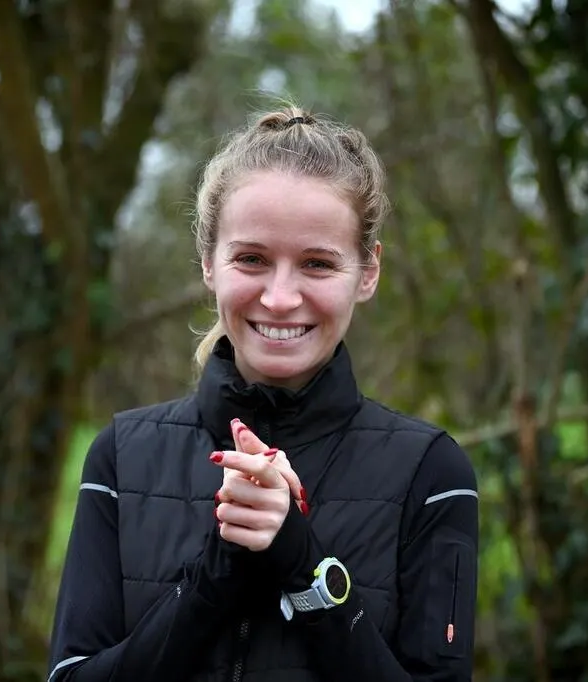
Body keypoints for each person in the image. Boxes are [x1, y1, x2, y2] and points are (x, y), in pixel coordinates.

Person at [46, 107, 479, 682]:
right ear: (208, 262)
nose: (279, 298)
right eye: (252, 259)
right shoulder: (122, 456)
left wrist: (306, 570)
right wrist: (214, 578)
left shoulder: (432, 472)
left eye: (317, 264)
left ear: (367, 272)